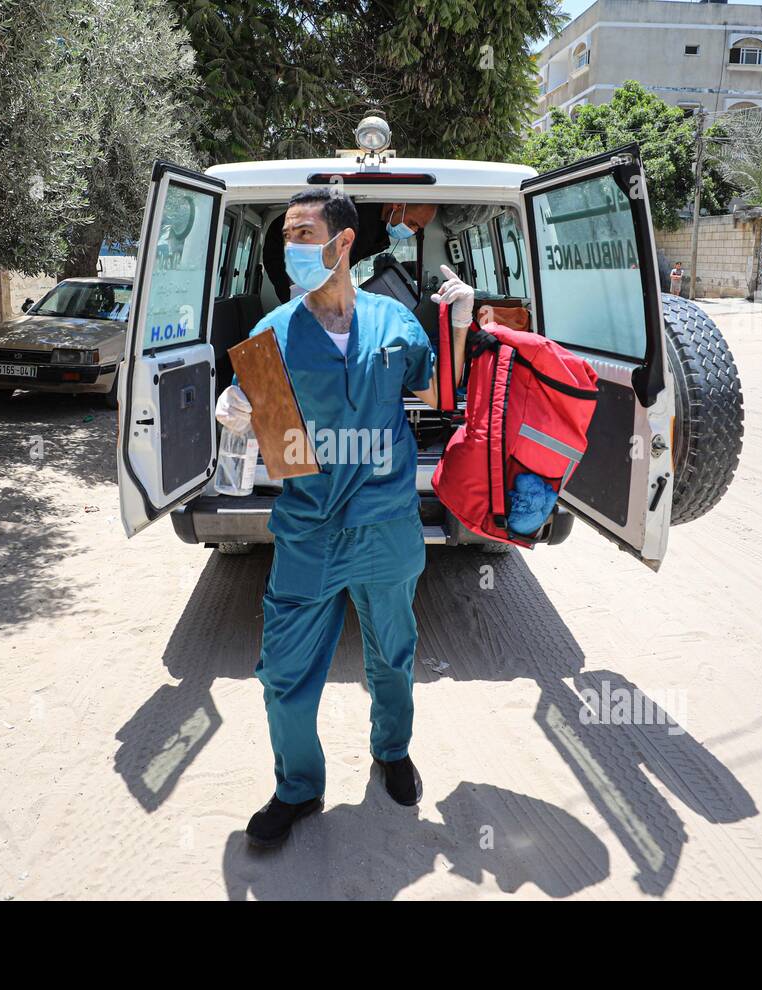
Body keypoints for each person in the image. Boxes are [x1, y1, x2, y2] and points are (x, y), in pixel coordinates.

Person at [216, 187, 472, 848]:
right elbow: (284, 452)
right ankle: (298, 788)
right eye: (288, 238)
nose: (293, 248)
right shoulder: (270, 334)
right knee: (284, 671)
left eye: (305, 233)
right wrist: (243, 416)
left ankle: (392, 751)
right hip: (309, 530)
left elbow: (436, 389)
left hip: (388, 525)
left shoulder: (394, 323)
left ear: (344, 242)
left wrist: (463, 324)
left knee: (393, 654)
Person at [261, 200, 439, 304]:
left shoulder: (373, 225)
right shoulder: (357, 220)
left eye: (417, 229)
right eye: (413, 223)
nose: (413, 230)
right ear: (398, 205)